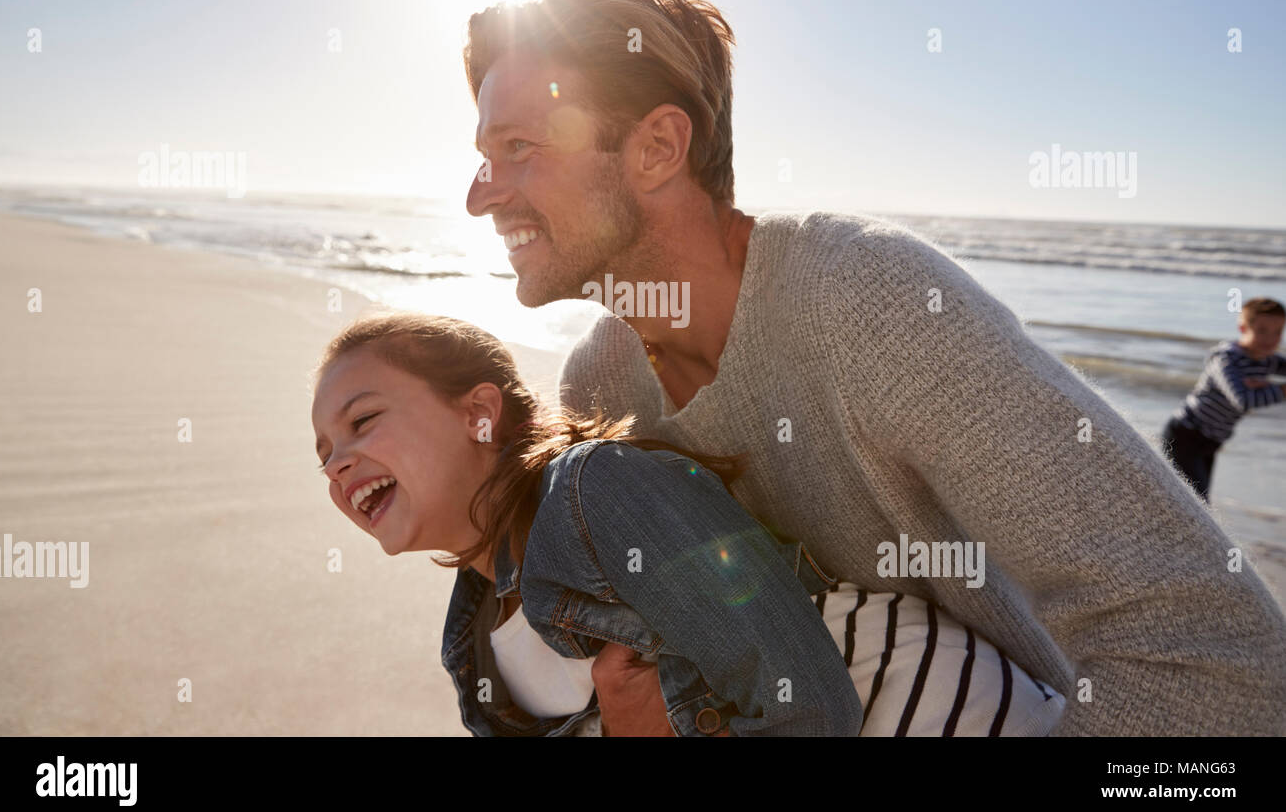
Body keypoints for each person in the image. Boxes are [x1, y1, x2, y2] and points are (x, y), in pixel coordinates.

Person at [462, 0, 1286, 736]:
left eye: (520, 146)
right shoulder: (600, 385)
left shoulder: (865, 301)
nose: (479, 193)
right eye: (483, 156)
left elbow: (1211, 655)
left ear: (656, 147)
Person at [309, 310, 1064, 735]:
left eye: (362, 421)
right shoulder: (470, 655)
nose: (339, 463)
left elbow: (812, 708)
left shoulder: (596, 494)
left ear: (478, 415)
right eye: (324, 454)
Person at [1160, 297, 1286, 503]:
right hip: (1186, 435)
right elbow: (1244, 400)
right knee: (1195, 504)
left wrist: (1269, 387)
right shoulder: (1226, 360)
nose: (1270, 339)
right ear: (1243, 328)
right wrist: (1280, 389)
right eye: (1262, 331)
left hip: (1212, 441)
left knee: (1198, 501)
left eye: (1278, 332)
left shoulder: (1268, 360)